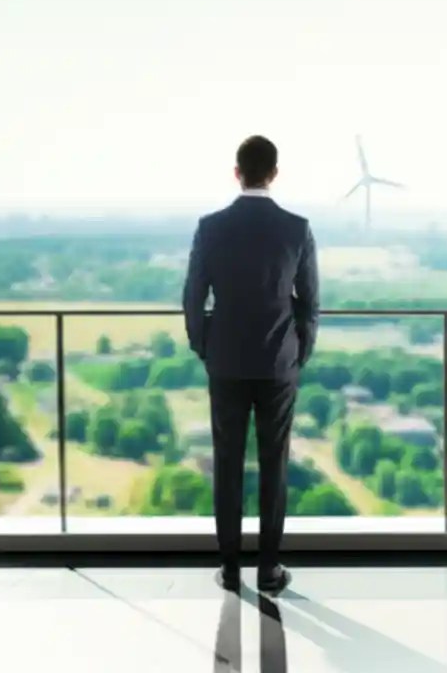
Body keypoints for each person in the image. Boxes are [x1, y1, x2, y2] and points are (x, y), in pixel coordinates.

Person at [183, 135, 319, 595]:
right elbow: (310, 302)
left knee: (228, 462)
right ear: (274, 173)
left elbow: (193, 296)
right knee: (274, 464)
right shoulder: (297, 229)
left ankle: (229, 567)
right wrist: (298, 352)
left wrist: (205, 345)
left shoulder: (210, 227)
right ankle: (269, 569)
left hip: (226, 361)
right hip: (279, 363)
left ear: (237, 173)